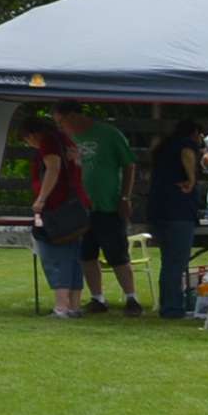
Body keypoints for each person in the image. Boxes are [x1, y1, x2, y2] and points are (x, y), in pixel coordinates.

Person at [137, 106, 208, 325]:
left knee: (168, 261)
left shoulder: (162, 148)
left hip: (157, 211)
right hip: (178, 212)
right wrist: (191, 178)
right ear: (194, 133)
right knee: (176, 262)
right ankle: (172, 307)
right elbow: (187, 153)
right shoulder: (185, 144)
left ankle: (168, 304)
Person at [19, 105, 93, 321]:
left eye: (27, 140)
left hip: (56, 208)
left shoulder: (49, 142)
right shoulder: (67, 140)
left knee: (54, 255)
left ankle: (61, 306)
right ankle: (74, 305)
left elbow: (53, 167)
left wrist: (41, 198)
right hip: (76, 207)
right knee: (73, 256)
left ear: (32, 134)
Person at [71, 101, 141, 315]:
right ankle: (97, 298)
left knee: (117, 253)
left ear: (74, 115)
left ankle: (131, 298)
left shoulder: (109, 134)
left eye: (62, 120)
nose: (61, 125)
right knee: (86, 254)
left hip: (109, 203)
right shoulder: (68, 138)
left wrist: (125, 196)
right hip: (81, 206)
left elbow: (129, 164)